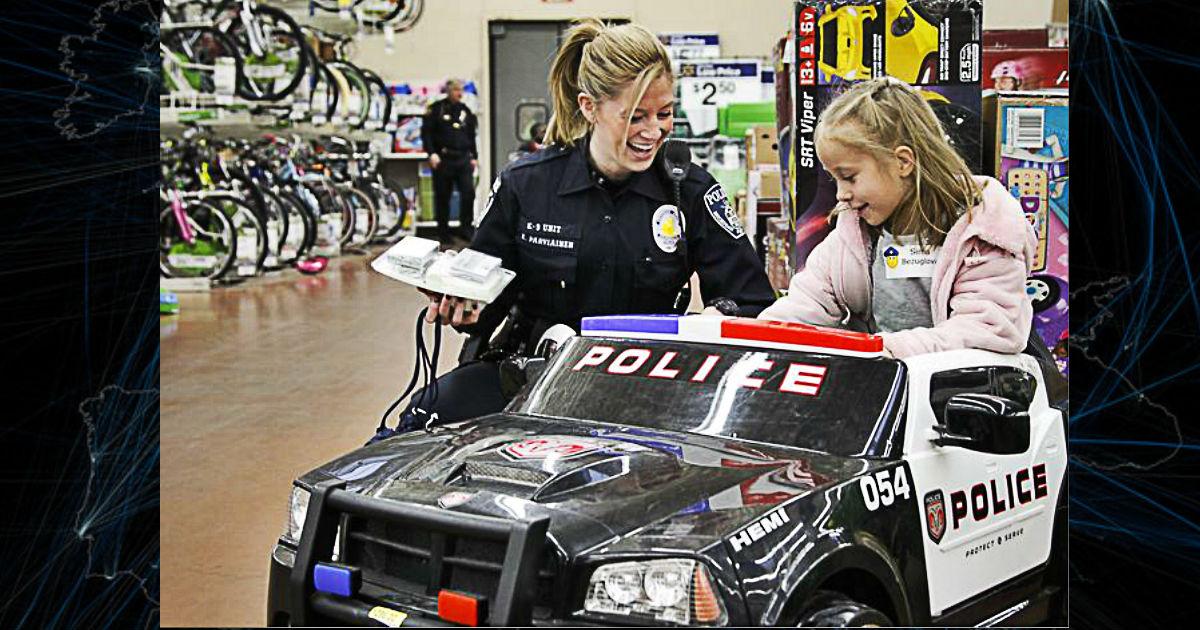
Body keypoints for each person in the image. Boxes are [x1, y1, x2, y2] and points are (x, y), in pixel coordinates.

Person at [398, 18, 775, 431]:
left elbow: (752, 301)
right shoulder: (526, 185)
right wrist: (463, 303)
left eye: (664, 114)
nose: (654, 131)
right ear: (588, 107)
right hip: (534, 380)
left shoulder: (691, 191)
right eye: (635, 117)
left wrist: (708, 324)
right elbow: (484, 297)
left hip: (650, 388)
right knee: (418, 421)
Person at [759, 77, 1036, 359]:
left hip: (963, 392)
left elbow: (985, 330)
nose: (841, 195)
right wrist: (757, 335)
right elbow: (805, 303)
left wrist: (884, 350)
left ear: (903, 162)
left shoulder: (983, 232)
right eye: (835, 180)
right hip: (887, 386)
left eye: (849, 177)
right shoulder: (853, 234)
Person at [422, 78, 478, 243]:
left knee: (468, 193)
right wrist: (431, 153)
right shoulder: (436, 110)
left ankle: (465, 228)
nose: (458, 93)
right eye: (455, 90)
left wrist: (474, 156)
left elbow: (471, 135)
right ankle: (443, 232)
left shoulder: (465, 111)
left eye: (460, 90)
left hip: (463, 158)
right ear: (448, 92)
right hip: (443, 159)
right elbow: (427, 134)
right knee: (442, 196)